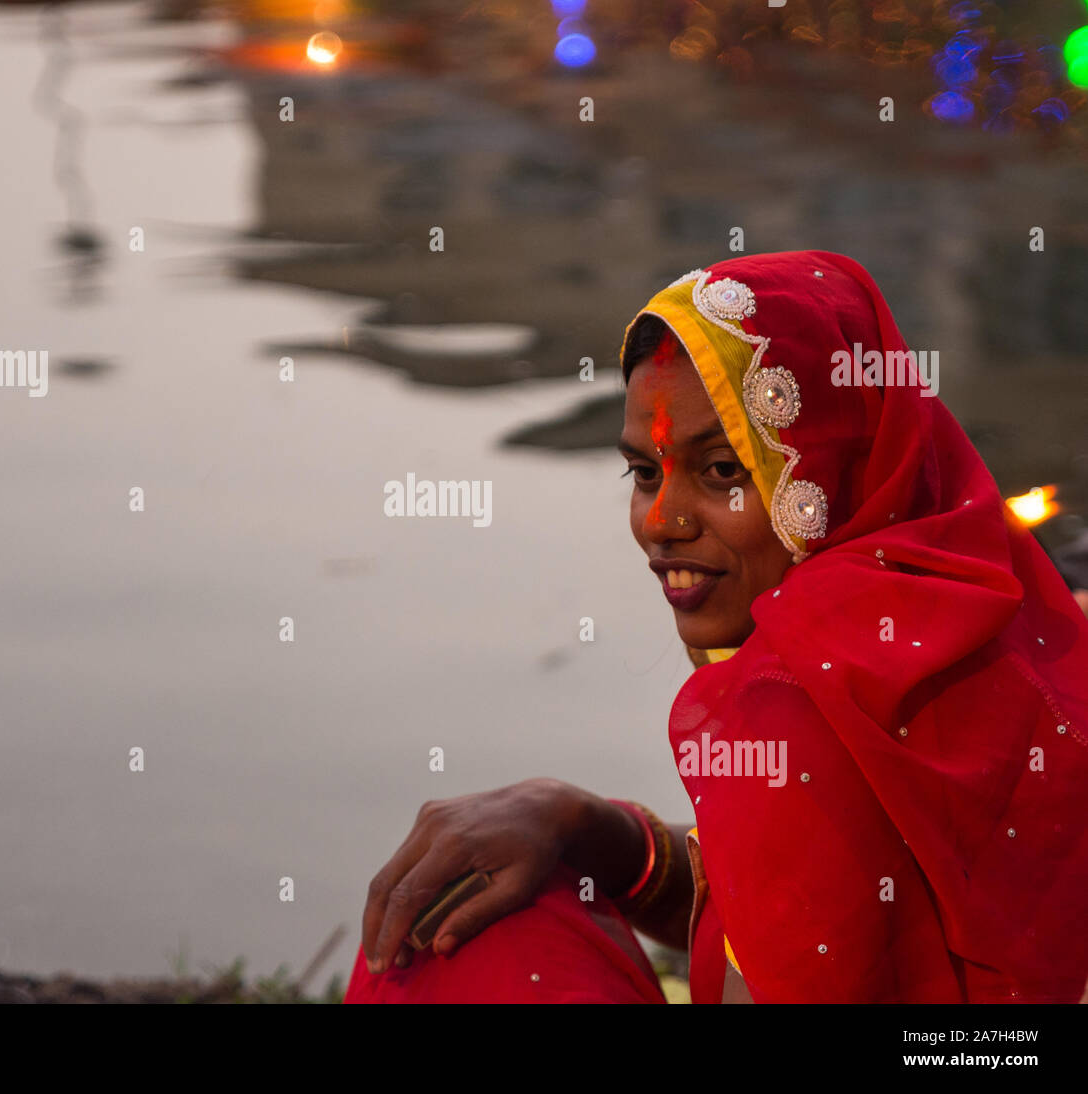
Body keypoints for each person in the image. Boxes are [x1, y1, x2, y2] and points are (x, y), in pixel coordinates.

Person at [345, 251, 1088, 1003]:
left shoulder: (801, 698)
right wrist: (585, 825)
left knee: (447, 950)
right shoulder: (989, 609)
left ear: (833, 473)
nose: (660, 521)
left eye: (723, 471)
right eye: (643, 473)